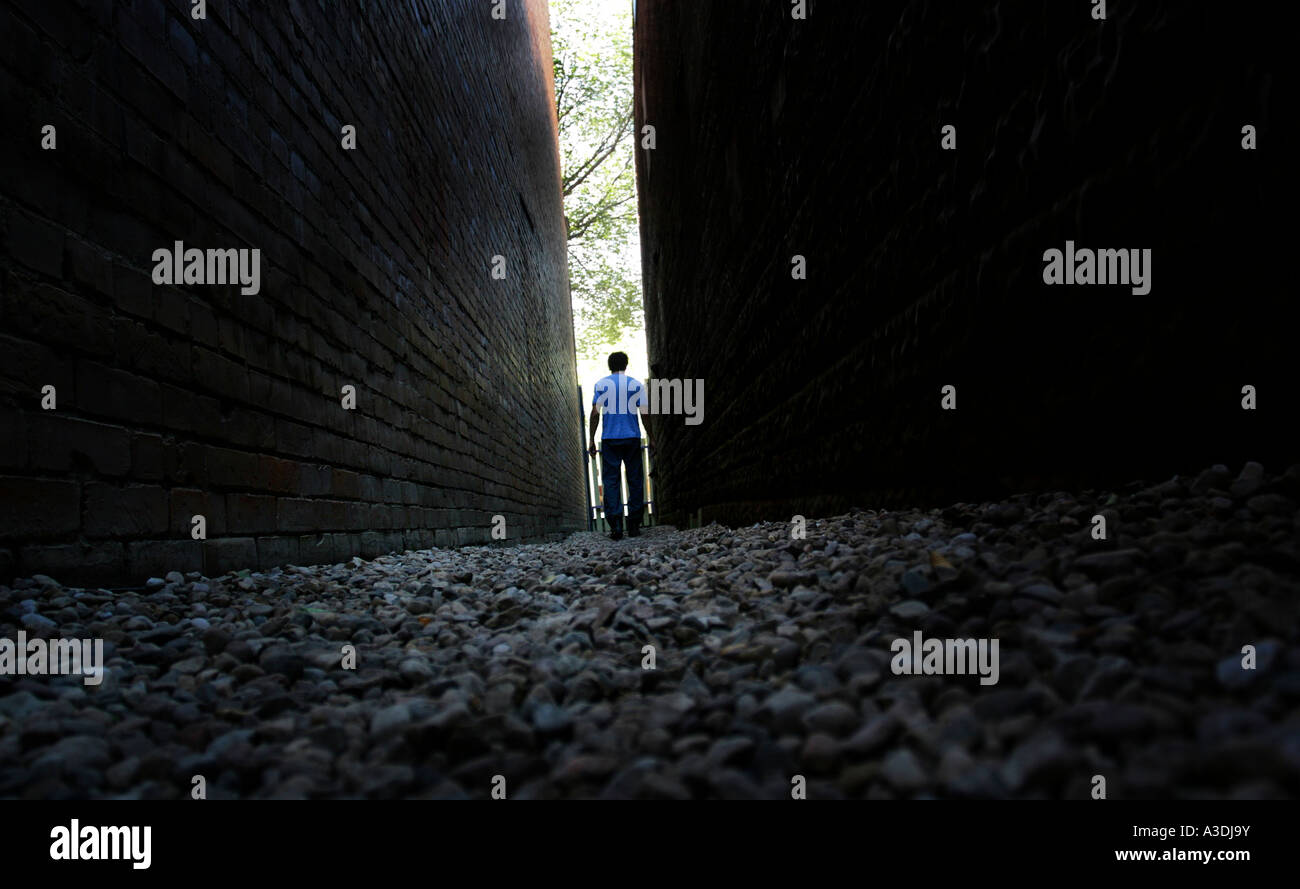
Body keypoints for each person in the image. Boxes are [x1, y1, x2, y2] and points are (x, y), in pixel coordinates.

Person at [588, 352, 648, 540]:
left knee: (611, 482)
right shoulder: (635, 384)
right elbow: (645, 413)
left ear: (609, 366)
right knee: (635, 480)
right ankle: (634, 525)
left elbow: (595, 414)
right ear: (626, 365)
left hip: (610, 439)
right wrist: (652, 437)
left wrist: (591, 439)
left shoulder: (602, 384)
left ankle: (615, 526)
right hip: (631, 437)